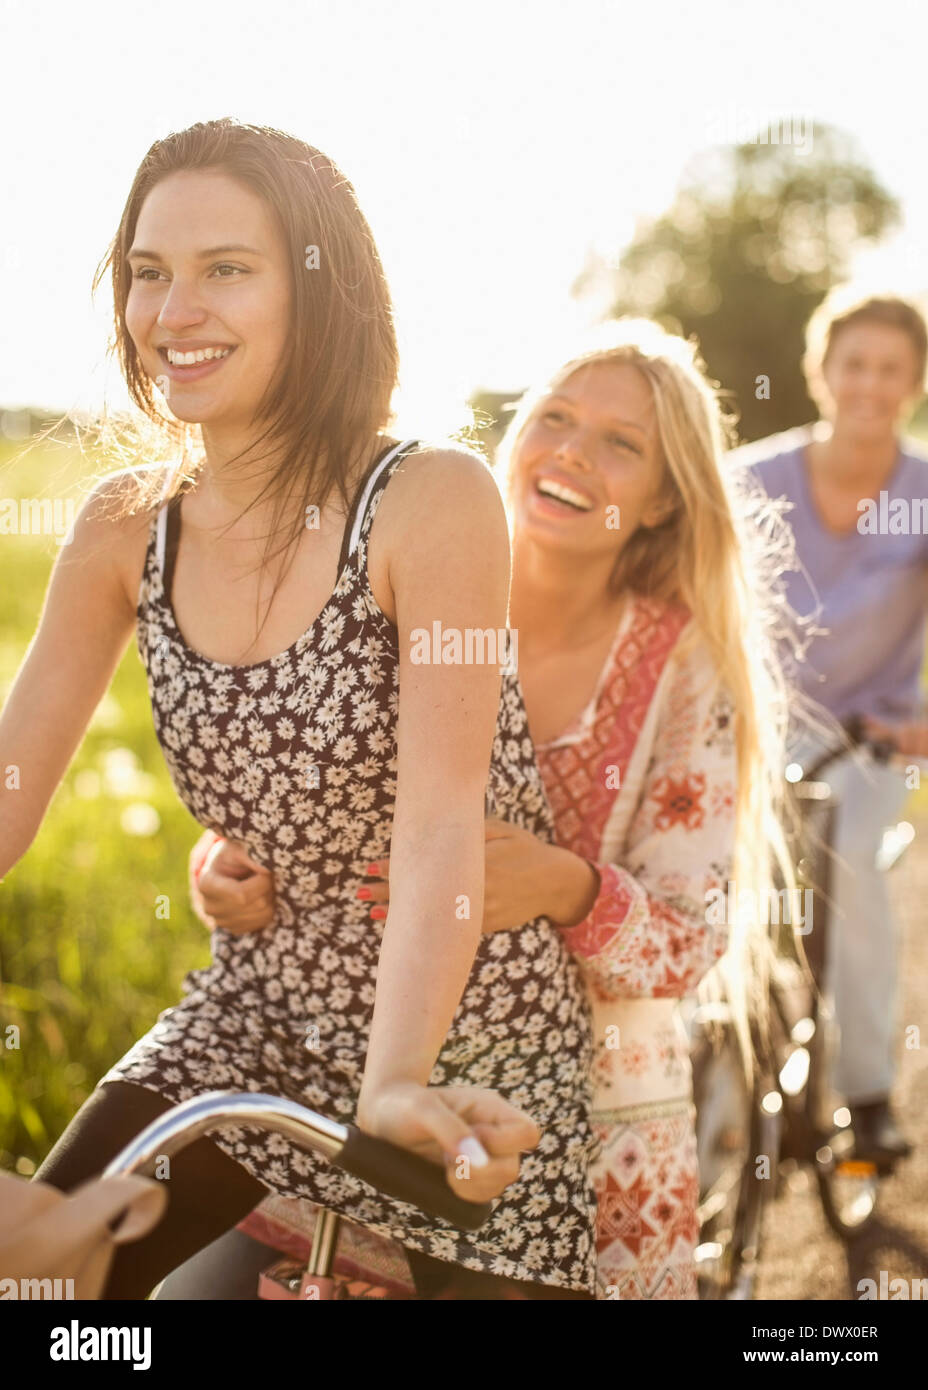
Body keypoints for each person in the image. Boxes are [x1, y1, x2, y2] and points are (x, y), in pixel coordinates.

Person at [1, 119, 601, 1300]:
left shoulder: (430, 498)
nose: (174, 310)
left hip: (466, 1029)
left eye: (227, 267)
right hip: (257, 1008)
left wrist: (392, 1081)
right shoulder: (124, 524)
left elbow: (437, 827)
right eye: (147, 271)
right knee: (50, 1283)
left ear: (322, 293)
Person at [177, 318, 794, 1300]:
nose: (571, 452)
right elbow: (295, 795)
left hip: (583, 1129)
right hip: (349, 1067)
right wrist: (226, 868)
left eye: (620, 444)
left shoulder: (686, 670)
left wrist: (564, 885)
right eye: (554, 417)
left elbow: (687, 934)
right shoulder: (413, 575)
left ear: (663, 502)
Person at [735, 291, 928, 1166]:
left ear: (916, 382)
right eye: (854, 364)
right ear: (821, 372)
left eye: (892, 368)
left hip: (868, 737)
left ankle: (868, 1092)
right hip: (752, 728)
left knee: (849, 869)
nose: (870, 384)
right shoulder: (752, 479)